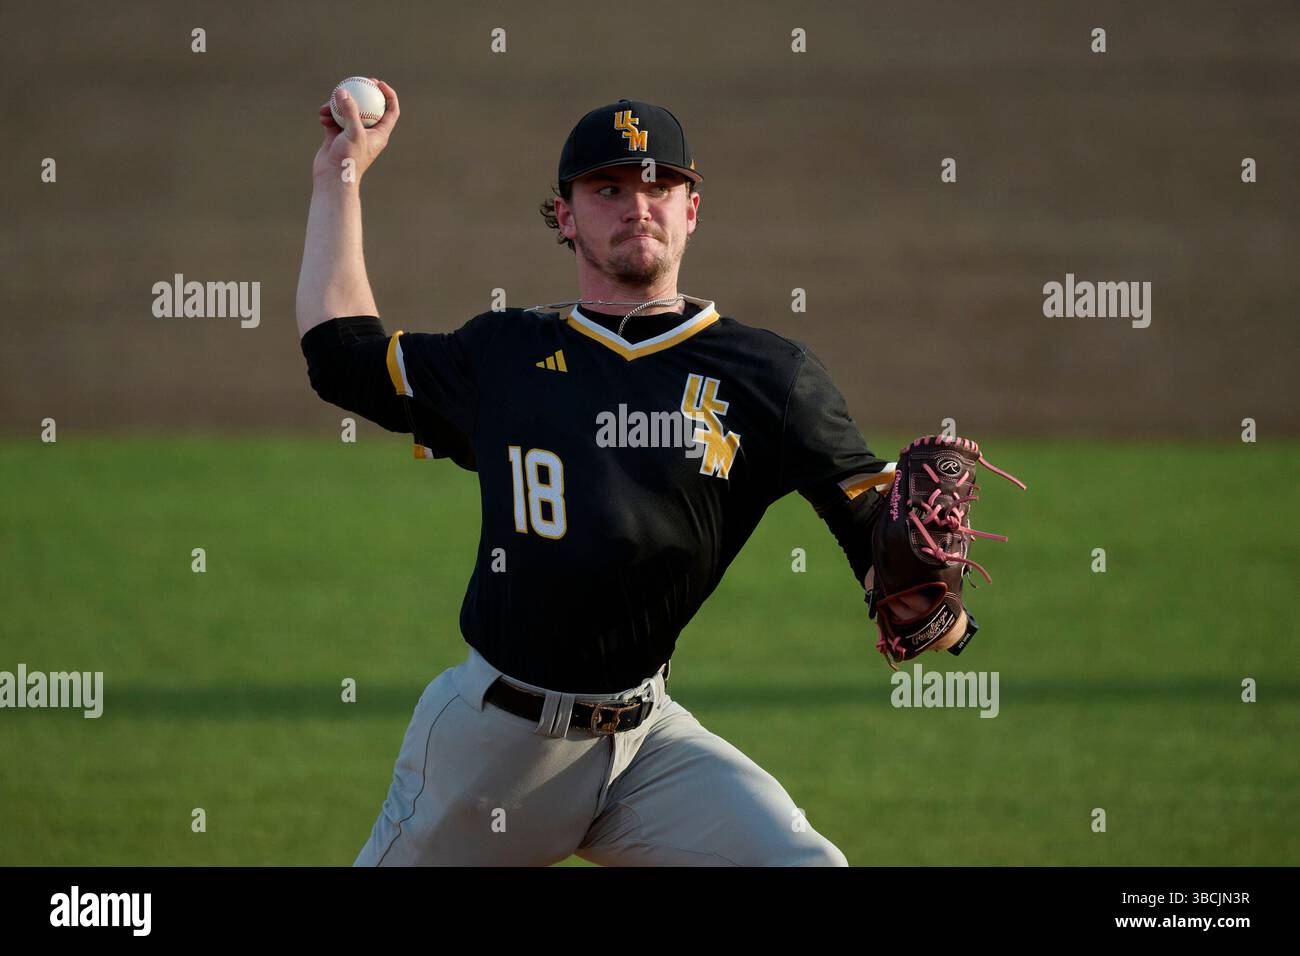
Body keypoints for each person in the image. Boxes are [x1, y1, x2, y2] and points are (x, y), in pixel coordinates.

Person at [296, 88, 970, 866]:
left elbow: (875, 527)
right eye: (608, 189)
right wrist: (338, 176)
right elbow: (340, 356)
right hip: (490, 756)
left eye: (660, 186)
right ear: (565, 216)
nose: (637, 205)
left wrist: (928, 607)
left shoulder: (771, 378)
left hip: (645, 749)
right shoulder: (505, 356)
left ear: (692, 210)